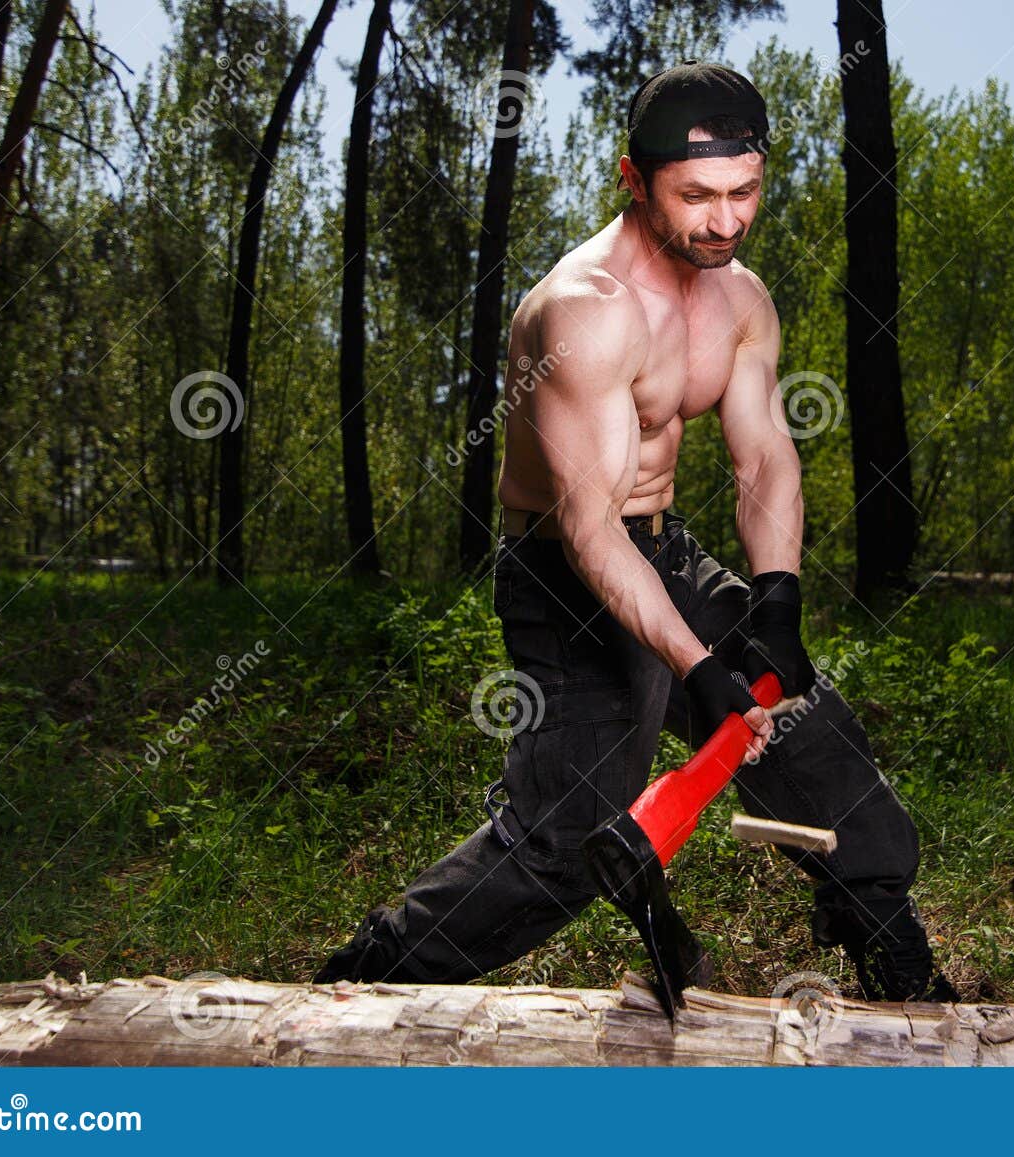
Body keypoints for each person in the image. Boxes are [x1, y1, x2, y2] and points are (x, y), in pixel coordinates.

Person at [313, 60, 957, 1004]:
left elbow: (765, 459)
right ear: (632, 179)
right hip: (564, 570)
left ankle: (891, 944)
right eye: (696, 196)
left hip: (662, 546)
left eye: (745, 192)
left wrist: (777, 603)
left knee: (810, 732)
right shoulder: (582, 314)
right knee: (564, 843)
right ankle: (365, 976)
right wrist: (700, 670)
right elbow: (589, 533)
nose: (726, 220)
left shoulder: (740, 300)